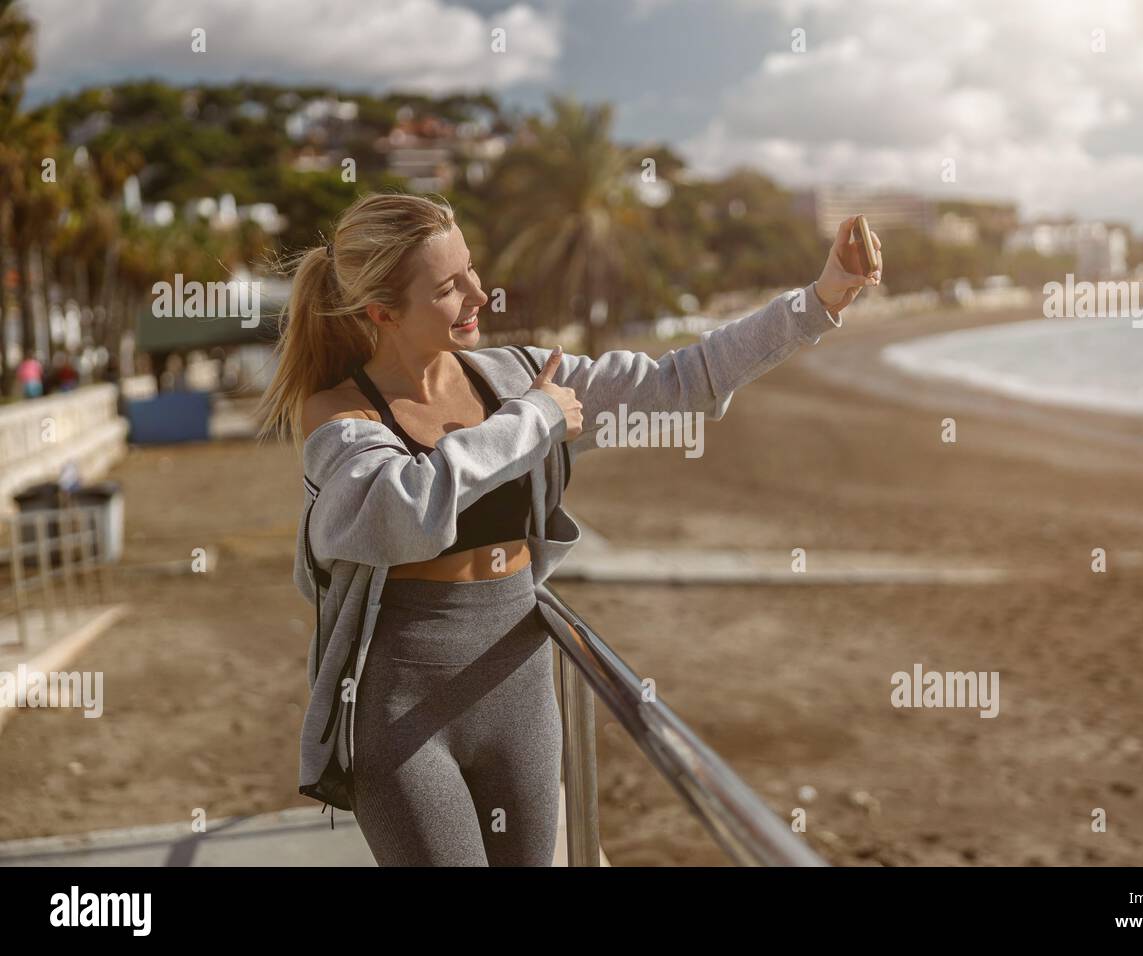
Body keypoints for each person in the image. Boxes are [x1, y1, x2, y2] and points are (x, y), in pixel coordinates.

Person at [255, 191, 881, 866]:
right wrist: (534, 422)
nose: (479, 294)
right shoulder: (342, 414)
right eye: (448, 287)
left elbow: (683, 381)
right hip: (402, 712)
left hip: (521, 689)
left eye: (471, 269)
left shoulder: (521, 375)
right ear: (382, 312)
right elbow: (401, 514)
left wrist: (820, 301)